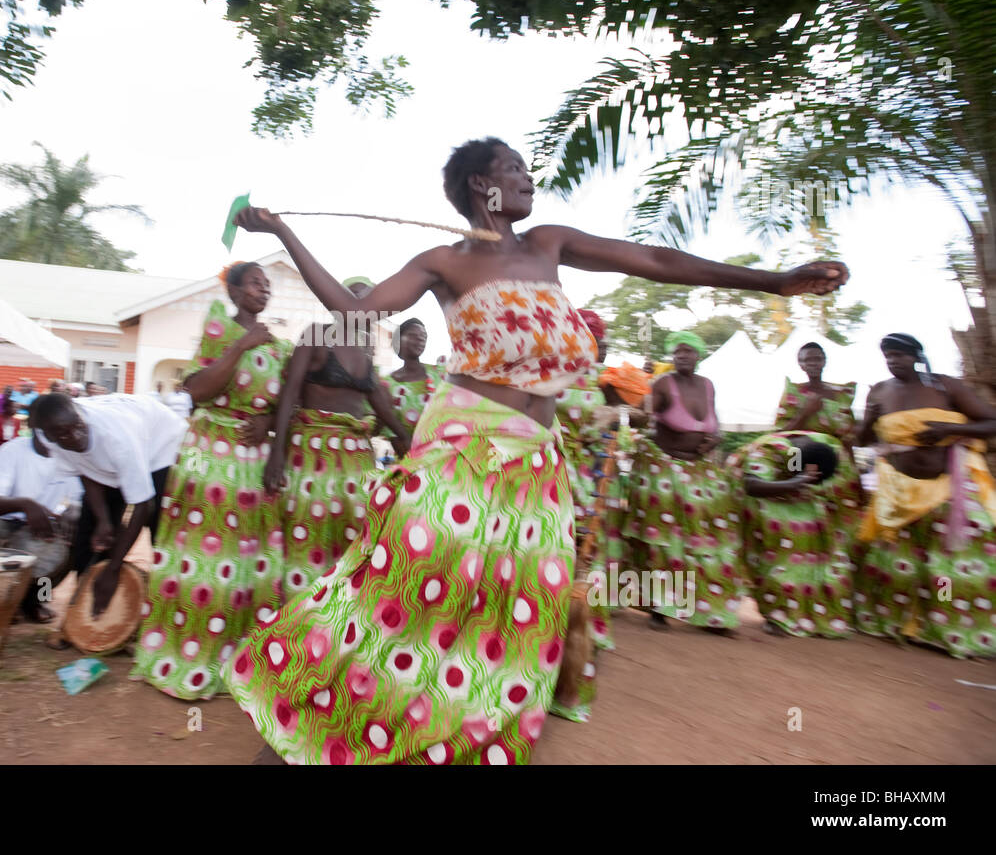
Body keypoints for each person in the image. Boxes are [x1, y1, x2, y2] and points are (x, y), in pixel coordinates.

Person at [225, 136, 847, 764]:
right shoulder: (444, 261)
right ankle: (307, 722)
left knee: (517, 600)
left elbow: (653, 259)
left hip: (537, 462)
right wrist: (283, 234)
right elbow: (355, 311)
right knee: (413, 584)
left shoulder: (550, 243)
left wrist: (773, 282)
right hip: (465, 446)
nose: (529, 178)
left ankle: (442, 722)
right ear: (480, 184)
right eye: (515, 169)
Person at [132, 262, 294, 699]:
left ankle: (240, 659)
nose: (265, 289)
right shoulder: (220, 326)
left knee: (248, 557)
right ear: (235, 290)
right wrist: (243, 344)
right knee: (207, 553)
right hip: (214, 453)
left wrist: (268, 424)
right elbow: (199, 389)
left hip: (254, 459)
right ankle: (190, 652)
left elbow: (284, 402)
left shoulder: (279, 349)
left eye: (268, 284)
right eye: (256, 282)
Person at [264, 284, 412, 598]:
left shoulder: (365, 351)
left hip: (356, 461)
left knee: (354, 537)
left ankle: (335, 620)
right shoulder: (315, 335)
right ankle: (296, 618)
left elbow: (378, 401)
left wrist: (404, 436)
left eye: (370, 300)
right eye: (356, 297)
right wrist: (277, 451)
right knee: (308, 535)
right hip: (313, 455)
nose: (364, 307)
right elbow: (290, 391)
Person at [855, 333, 996, 658]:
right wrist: (869, 420)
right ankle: (902, 623)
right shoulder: (879, 390)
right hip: (899, 489)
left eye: (899, 356)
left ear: (917, 356)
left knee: (946, 565)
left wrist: (952, 430)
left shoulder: (946, 386)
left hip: (950, 487)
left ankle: (947, 621)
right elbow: (862, 440)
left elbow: (991, 421)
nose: (892, 361)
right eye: (888, 356)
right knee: (902, 564)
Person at [30, 392, 188, 627]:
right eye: (63, 434)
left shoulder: (118, 438)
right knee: (89, 533)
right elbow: (87, 469)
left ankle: (167, 620)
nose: (75, 436)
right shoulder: (51, 436)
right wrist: (103, 520)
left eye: (77, 427)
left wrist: (113, 568)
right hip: (119, 455)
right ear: (48, 435)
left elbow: (143, 505)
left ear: (79, 415)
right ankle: (84, 619)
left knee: (162, 534)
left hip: (162, 447)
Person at [627, 331, 743, 632]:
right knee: (667, 543)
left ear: (699, 355)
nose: (682, 356)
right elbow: (644, 414)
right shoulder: (664, 384)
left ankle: (711, 611)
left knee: (709, 541)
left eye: (688, 351)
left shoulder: (707, 385)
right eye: (677, 352)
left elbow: (715, 424)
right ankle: (658, 607)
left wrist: (716, 438)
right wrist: (641, 403)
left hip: (700, 470)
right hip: (664, 470)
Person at [730, 433, 859, 637]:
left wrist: (804, 484)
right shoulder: (769, 451)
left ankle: (817, 615)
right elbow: (751, 485)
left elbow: (841, 490)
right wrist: (795, 483)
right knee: (782, 553)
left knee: (825, 554)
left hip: (800, 488)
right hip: (759, 490)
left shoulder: (832, 451)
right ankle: (779, 616)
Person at [552, 308, 614, 722]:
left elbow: (604, 446)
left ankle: (566, 667)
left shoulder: (595, 385)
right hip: (553, 471)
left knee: (571, 563)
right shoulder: (554, 375)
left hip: (565, 477)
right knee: (571, 563)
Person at [0, 432, 83, 623]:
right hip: (9, 524)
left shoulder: (69, 454)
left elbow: (77, 497)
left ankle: (38, 600)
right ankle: (6, 600)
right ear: (34, 425)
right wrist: (25, 505)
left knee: (69, 540)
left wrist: (75, 508)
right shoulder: (13, 449)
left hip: (46, 529)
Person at [775, 342, 859, 449]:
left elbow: (849, 437)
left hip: (835, 455)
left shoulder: (842, 395)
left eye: (817, 359)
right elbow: (780, 435)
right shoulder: (793, 394)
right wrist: (805, 413)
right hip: (802, 453)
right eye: (807, 360)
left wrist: (852, 464)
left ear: (824, 361)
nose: (813, 363)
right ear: (801, 365)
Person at [379, 318, 438, 448]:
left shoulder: (440, 373)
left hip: (447, 455)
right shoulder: (386, 385)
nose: (421, 339)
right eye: (413, 335)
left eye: (424, 336)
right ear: (399, 340)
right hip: (409, 458)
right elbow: (392, 433)